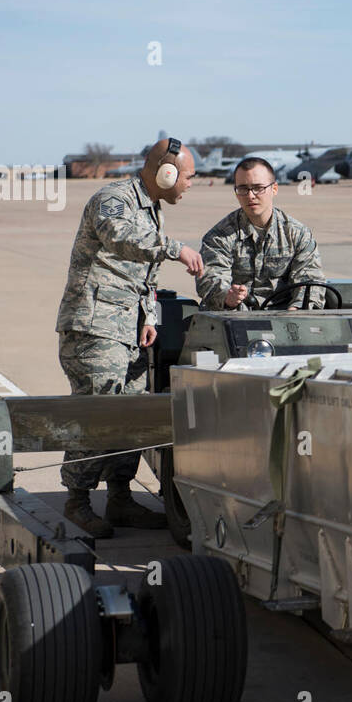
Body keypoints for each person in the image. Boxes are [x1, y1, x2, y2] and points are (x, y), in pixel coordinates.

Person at [54, 138, 204, 537]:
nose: (190, 184)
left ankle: (119, 498)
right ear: (166, 173)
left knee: (133, 414)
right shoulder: (115, 198)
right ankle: (77, 501)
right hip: (94, 327)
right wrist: (175, 249)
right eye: (187, 176)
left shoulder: (153, 209)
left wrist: (149, 316)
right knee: (99, 411)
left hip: (129, 330)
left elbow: (144, 277)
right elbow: (119, 237)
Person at [195, 157, 326, 312]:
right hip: (235, 319)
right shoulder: (219, 237)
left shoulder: (297, 234)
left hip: (285, 319)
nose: (250, 196)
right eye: (243, 189)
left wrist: (296, 311)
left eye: (258, 188)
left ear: (274, 189)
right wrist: (227, 297)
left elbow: (310, 280)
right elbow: (210, 279)